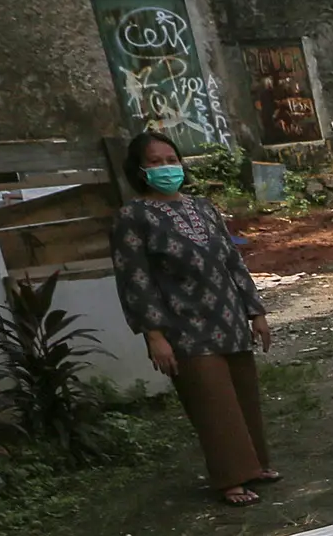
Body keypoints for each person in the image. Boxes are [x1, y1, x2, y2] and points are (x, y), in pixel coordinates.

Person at [110, 131, 276, 507]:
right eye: (155, 162)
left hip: (228, 316)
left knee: (244, 395)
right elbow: (135, 279)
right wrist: (154, 335)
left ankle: (256, 466)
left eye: (171, 159)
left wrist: (256, 311)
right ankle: (231, 479)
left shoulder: (203, 207)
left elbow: (233, 261)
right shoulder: (133, 216)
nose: (166, 168)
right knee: (212, 401)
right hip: (183, 325)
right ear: (139, 170)